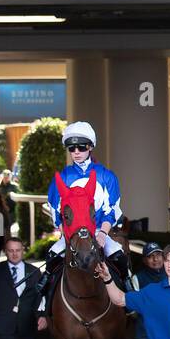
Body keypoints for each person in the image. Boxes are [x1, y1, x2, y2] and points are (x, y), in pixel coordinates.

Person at [38, 122, 128, 311]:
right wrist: (67, 235)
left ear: (90, 147)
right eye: (72, 148)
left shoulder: (107, 176)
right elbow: (56, 212)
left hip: (98, 231)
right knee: (51, 258)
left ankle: (129, 296)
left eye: (81, 147)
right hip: (71, 234)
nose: (76, 151)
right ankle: (44, 304)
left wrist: (103, 233)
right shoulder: (62, 178)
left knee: (120, 258)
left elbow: (111, 210)